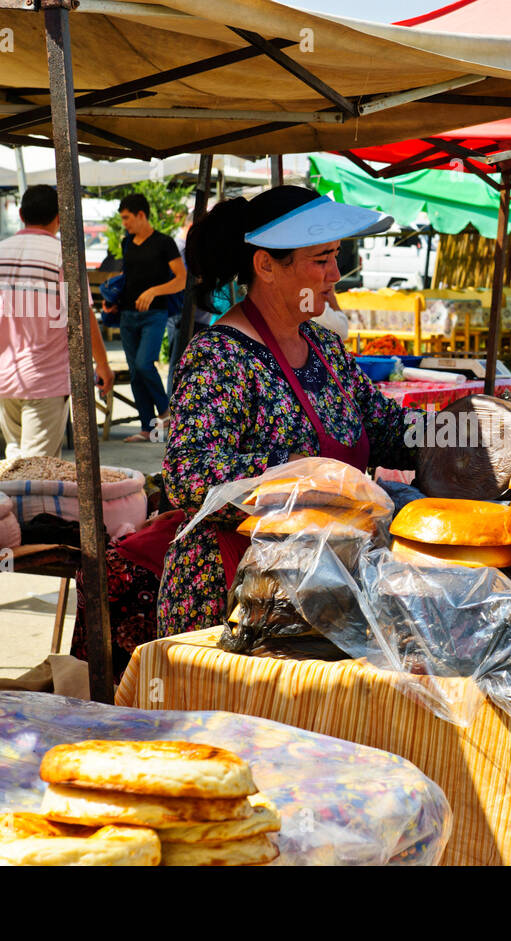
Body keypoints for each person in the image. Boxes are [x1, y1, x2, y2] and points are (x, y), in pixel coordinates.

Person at [157, 186, 413, 639]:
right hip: (236, 590)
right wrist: (297, 472)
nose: (336, 274)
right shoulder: (220, 355)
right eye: (320, 259)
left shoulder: (324, 347)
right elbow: (187, 475)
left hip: (322, 586)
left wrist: (483, 430)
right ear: (265, 265)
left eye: (337, 256)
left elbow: (391, 428)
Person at [0, 184, 112, 459]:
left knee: (17, 459)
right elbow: (84, 315)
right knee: (37, 470)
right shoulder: (63, 255)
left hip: (3, 377)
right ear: (59, 217)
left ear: (20, 214)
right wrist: (102, 364)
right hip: (46, 379)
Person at [102, 193, 187, 442]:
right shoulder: (126, 242)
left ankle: (165, 411)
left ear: (141, 214)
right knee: (136, 372)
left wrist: (154, 291)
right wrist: (112, 303)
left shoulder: (164, 242)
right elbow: (129, 277)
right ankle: (147, 430)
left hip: (155, 314)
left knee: (143, 364)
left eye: (127, 218)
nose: (124, 223)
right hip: (127, 314)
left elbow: (181, 280)